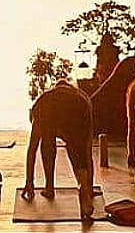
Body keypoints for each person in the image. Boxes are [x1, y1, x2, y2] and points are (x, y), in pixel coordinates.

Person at [23, 81, 97, 219]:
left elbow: (32, 149)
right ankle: (84, 187)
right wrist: (90, 186)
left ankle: (49, 187)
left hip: (51, 110)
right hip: (79, 109)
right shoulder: (82, 97)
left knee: (47, 146)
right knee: (79, 151)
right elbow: (87, 151)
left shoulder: (42, 103)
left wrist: (29, 182)